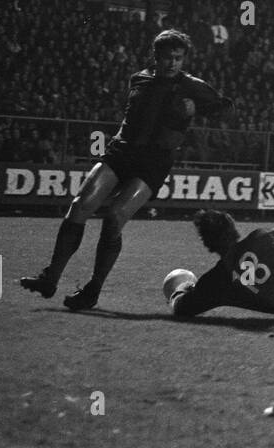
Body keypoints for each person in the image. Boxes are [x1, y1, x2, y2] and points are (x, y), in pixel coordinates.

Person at [20, 29, 233, 310]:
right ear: (155, 56)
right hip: (121, 151)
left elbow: (225, 108)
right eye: (167, 57)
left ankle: (92, 290)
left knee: (114, 215)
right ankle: (50, 278)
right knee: (80, 205)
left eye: (178, 58)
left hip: (154, 161)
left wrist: (195, 110)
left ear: (184, 59)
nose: (172, 63)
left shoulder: (193, 86)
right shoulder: (139, 79)